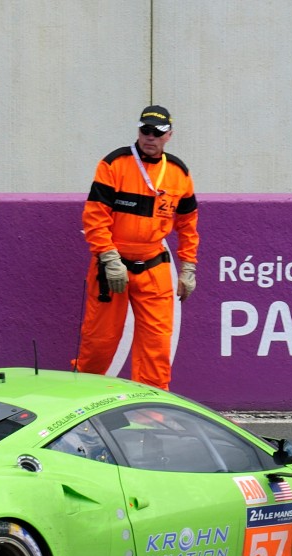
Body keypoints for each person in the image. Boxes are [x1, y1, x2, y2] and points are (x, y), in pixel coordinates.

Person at [73, 105, 199, 391]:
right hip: (112, 269)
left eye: (158, 132)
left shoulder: (179, 173)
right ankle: (77, 403)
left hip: (154, 267)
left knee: (156, 347)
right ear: (138, 131)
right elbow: (95, 216)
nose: (150, 137)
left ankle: (151, 416)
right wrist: (108, 256)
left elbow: (188, 224)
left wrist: (188, 267)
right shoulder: (114, 164)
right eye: (145, 130)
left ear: (169, 136)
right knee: (99, 343)